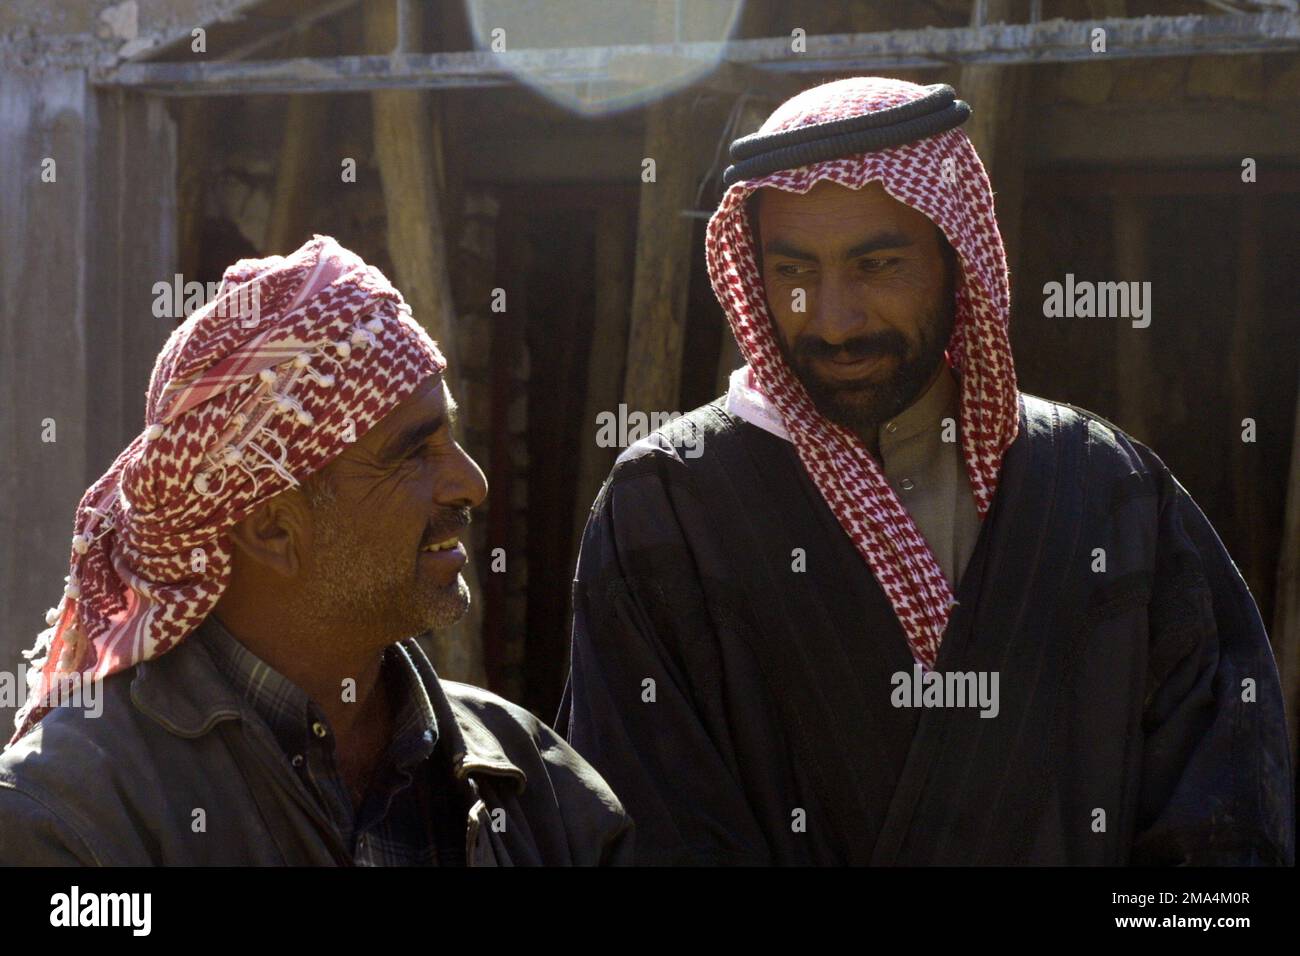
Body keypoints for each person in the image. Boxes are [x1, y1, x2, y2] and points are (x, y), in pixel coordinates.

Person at [558, 78, 1293, 865]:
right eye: (793, 271)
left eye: (877, 264)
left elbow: (1221, 838)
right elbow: (636, 830)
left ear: (957, 255)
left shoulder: (1107, 494)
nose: (834, 318)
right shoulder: (666, 511)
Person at [0, 236, 631, 866]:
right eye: (414, 452)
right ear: (272, 529)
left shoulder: (529, 779)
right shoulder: (70, 817)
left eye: (451, 439)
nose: (472, 484)